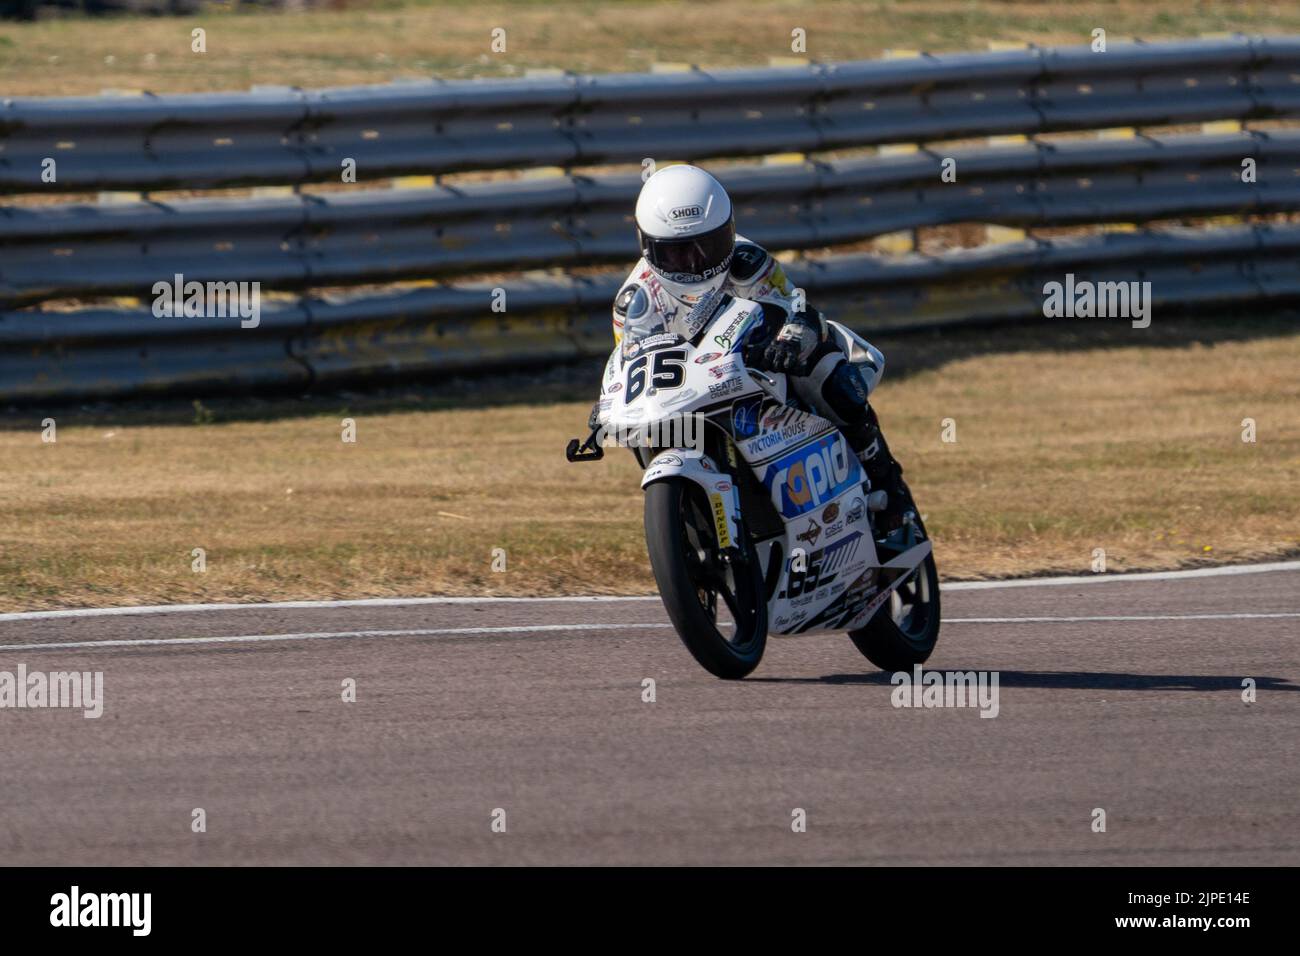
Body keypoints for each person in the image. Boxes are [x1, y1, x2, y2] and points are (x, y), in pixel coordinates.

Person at [595, 163, 908, 529]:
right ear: (647, 246)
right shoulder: (635, 302)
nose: (695, 264)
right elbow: (632, 364)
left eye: (708, 248)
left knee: (824, 367)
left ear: (728, 232)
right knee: (646, 430)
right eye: (676, 254)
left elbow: (797, 310)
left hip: (756, 368)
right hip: (687, 390)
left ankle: (887, 482)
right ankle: (687, 518)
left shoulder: (749, 263)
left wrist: (791, 340)